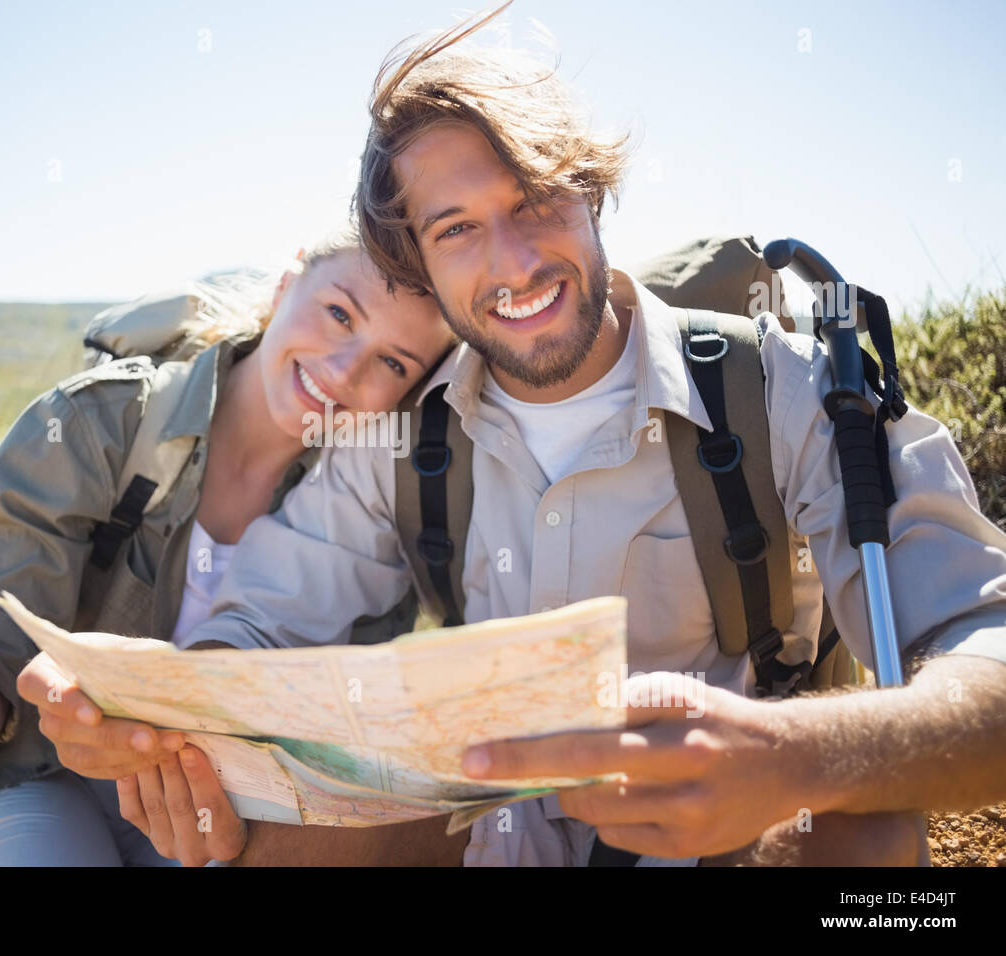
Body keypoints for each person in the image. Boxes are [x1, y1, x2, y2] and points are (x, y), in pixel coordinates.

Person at [110, 8, 1006, 867]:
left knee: (865, 843)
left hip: (732, 842)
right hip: (487, 838)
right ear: (415, 263)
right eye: (455, 229)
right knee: (281, 847)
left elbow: (986, 651)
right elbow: (254, 623)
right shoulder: (401, 442)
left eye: (536, 198)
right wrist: (170, 727)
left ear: (593, 189)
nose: (514, 261)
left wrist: (789, 755)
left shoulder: (787, 390)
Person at [0, 222, 456, 866]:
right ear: (286, 287)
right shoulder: (90, 426)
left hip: (233, 818)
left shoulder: (377, 512)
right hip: (45, 786)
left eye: (393, 361)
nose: (344, 370)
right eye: (340, 313)